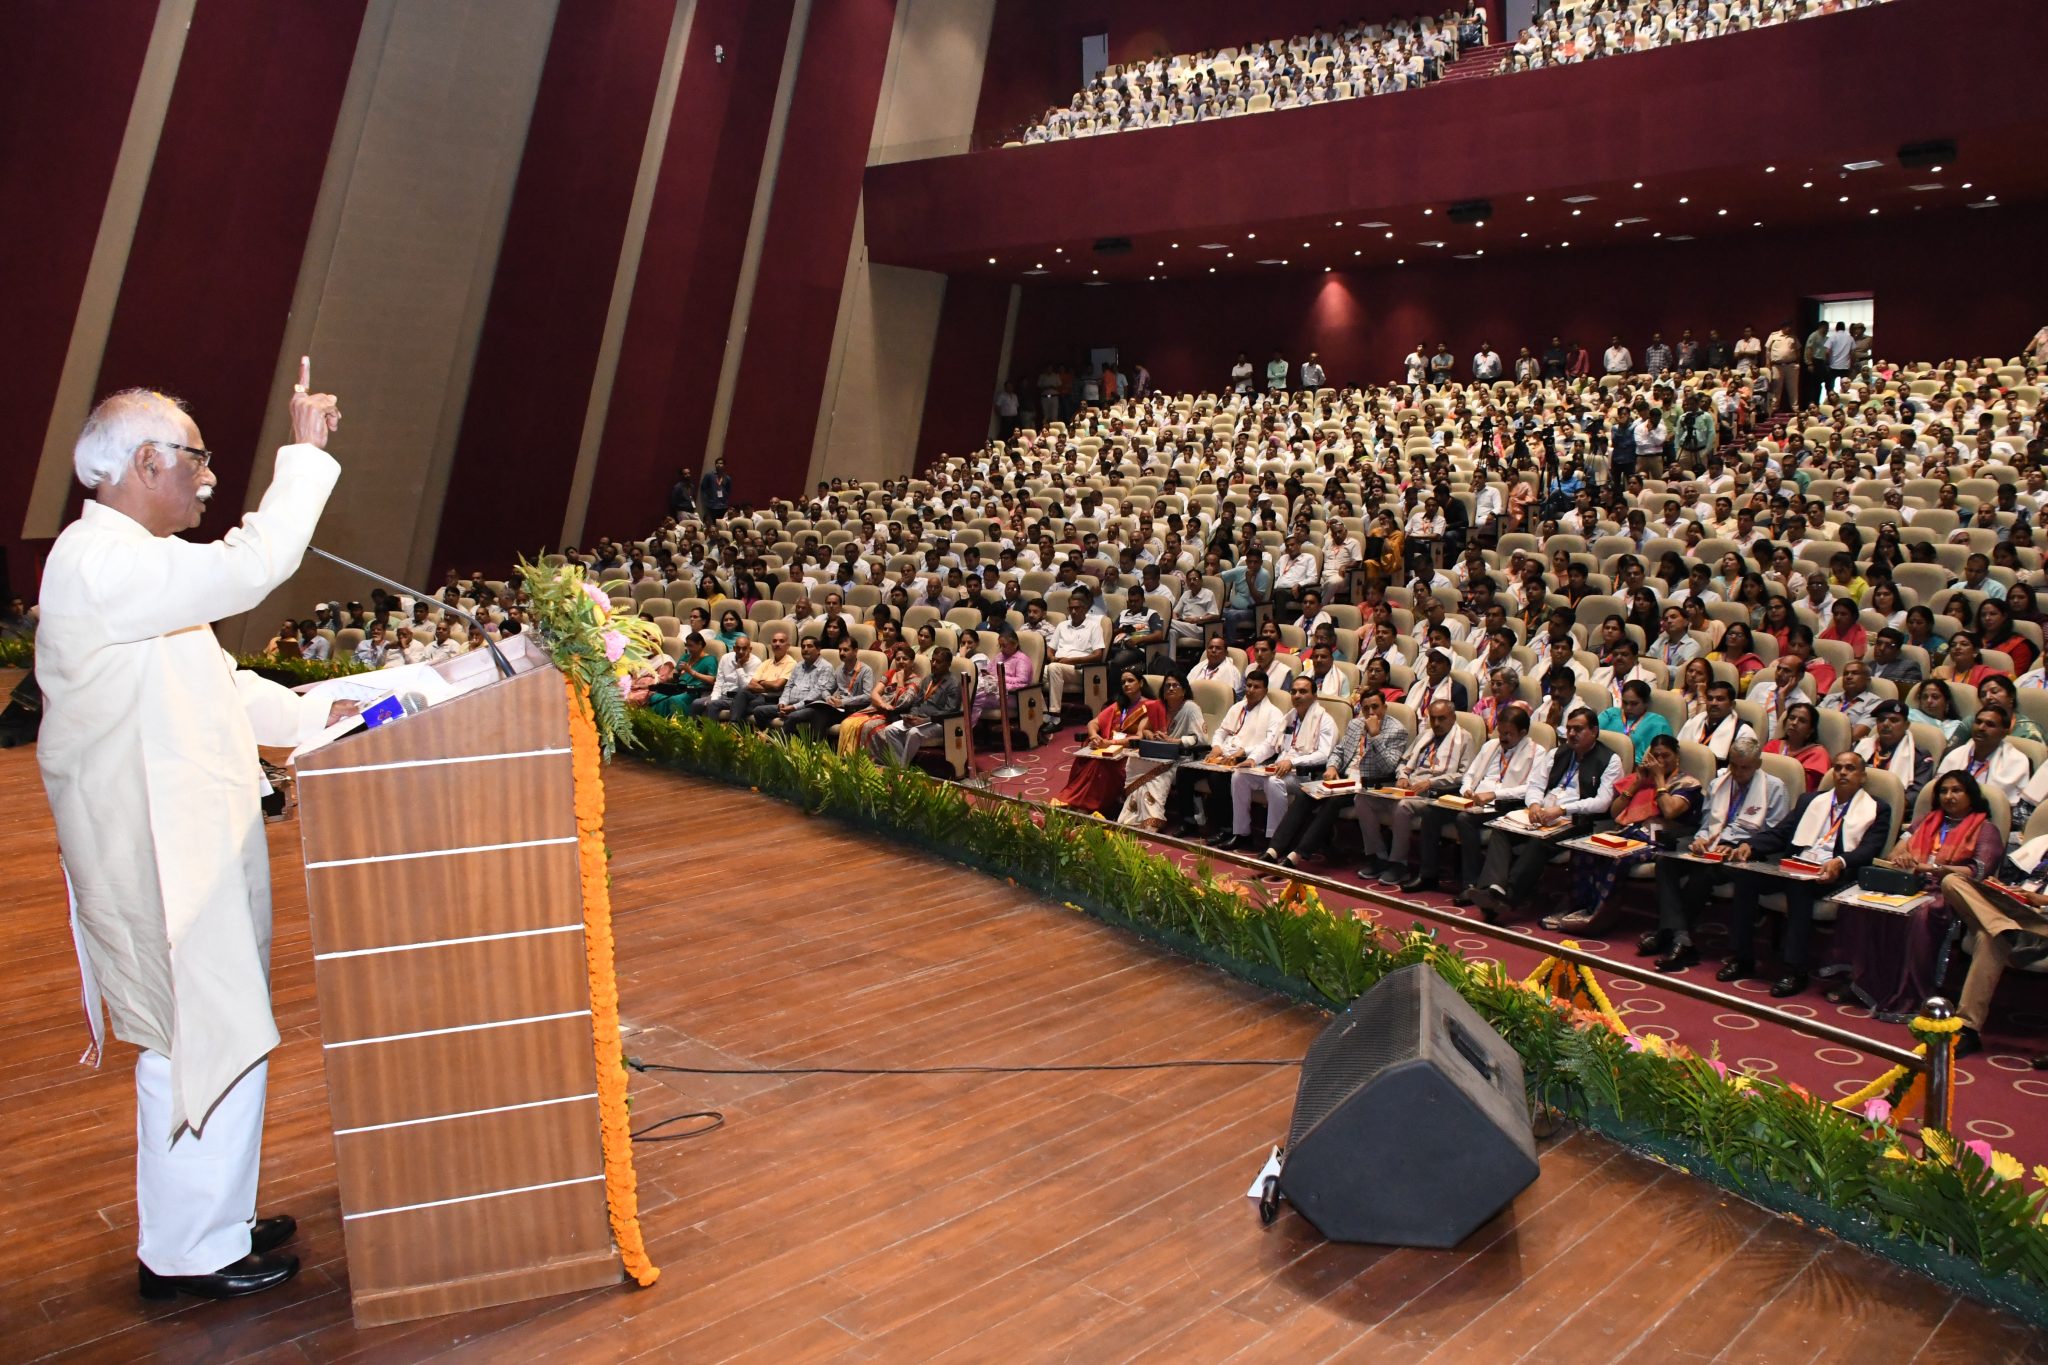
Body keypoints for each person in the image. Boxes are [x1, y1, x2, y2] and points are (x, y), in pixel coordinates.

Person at [38, 367, 344, 1300]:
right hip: (158, 852)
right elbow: (251, 564)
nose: (209, 480)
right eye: (199, 459)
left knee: (221, 1028)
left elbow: (216, 686)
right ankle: (187, 1250)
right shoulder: (104, 562)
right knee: (197, 1033)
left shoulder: (133, 568)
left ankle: (210, 1217)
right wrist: (303, 457)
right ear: (144, 461)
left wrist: (346, 714)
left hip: (192, 839)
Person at [1830, 772, 2002, 1019]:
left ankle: (1911, 993)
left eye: (1956, 791)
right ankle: (1861, 981)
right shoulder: (1926, 821)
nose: (1949, 796)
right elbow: (1895, 853)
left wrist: (1931, 868)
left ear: (1971, 795)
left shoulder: (1985, 829)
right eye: (1943, 791)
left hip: (1950, 891)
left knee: (1922, 916)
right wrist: (1901, 857)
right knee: (1858, 902)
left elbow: (1977, 871)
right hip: (1910, 883)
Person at [1720, 751, 1891, 998]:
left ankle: (1794, 969)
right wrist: (1751, 845)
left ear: (1862, 776)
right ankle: (1742, 957)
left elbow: (1869, 849)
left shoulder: (1877, 808)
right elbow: (1781, 833)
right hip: (1796, 866)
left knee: (1799, 888)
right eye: (1838, 767)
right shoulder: (1811, 800)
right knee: (1745, 875)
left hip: (1834, 873)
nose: (1842, 772)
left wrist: (1840, 861)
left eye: (1850, 768)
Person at [1642, 736, 1790, 972]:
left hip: (1743, 854)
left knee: (1705, 874)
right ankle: (1680, 937)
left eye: (1745, 767)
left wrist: (1741, 845)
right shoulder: (1719, 782)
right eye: (1734, 765)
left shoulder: (1775, 788)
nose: (1738, 772)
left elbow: (1775, 834)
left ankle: (1673, 935)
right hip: (1711, 847)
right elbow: (1706, 822)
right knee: (1665, 862)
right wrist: (1700, 839)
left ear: (1758, 765)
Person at [1467, 711, 1623, 924]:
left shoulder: (1610, 760)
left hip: (1575, 819)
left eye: (1578, 729)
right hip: (1542, 813)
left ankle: (1507, 897)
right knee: (1501, 829)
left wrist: (1562, 810)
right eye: (1569, 728)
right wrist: (1533, 805)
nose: (1571, 733)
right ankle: (1490, 890)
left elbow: (1603, 802)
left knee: (1539, 843)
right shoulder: (1558, 753)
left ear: (1594, 731)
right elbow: (1536, 785)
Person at [1547, 733, 1702, 934]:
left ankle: (1599, 915)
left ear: (1677, 757)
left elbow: (1670, 811)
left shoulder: (1688, 784)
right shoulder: (1644, 779)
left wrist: (1659, 780)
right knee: (1584, 848)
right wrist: (1638, 782)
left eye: (1666, 756)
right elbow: (1615, 812)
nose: (1661, 761)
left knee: (1617, 858)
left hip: (1660, 840)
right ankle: (1577, 905)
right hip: (1628, 833)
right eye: (1656, 756)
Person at [1401, 706, 1542, 902]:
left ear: (1523, 733)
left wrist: (1494, 794)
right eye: (1500, 731)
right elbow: (1469, 774)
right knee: (1431, 812)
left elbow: (1531, 788)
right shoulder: (1491, 746)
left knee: (1464, 819)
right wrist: (1467, 789)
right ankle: (1428, 874)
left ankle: (1471, 883)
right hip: (1473, 799)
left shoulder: (1537, 752)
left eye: (1508, 733)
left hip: (1502, 805)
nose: (1502, 737)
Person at [1941, 836, 2048, 1059]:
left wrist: (2041, 901)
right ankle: (2005, 929)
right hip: (2013, 910)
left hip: (2042, 919)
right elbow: (2012, 878)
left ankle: (1967, 1028)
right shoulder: (2040, 844)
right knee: (1952, 881)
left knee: (1989, 938)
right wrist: (2002, 888)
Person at [1357, 699, 1472, 882]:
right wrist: (1402, 776)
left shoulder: (1464, 738)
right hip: (1407, 786)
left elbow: (1464, 775)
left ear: (1453, 718)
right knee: (1361, 799)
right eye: (1433, 719)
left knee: (1402, 806)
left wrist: (1431, 782)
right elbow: (1403, 761)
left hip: (1434, 792)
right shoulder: (1425, 735)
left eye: (1441, 719)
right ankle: (1379, 856)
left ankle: (1399, 864)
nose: (1436, 724)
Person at [1052, 668, 1164, 812]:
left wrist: (1109, 743)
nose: (1126, 685)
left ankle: (1086, 805)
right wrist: (1094, 736)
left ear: (1141, 683)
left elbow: (1139, 737)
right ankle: (1077, 801)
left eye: (1130, 680)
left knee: (1101, 764)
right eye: (1123, 682)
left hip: (1130, 751)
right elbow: (1093, 722)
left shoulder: (1150, 706)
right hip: (1109, 747)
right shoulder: (1119, 705)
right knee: (1086, 759)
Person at [1200, 671, 1285, 842]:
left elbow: (1270, 744)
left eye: (1256, 687)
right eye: (1248, 685)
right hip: (1224, 753)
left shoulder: (1273, 713)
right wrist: (1216, 746)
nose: (1251, 690)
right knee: (1186, 772)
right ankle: (1194, 822)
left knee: (1217, 778)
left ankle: (1228, 828)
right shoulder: (1237, 707)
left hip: (1249, 758)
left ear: (1265, 690)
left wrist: (1244, 752)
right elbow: (1221, 731)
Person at [1119, 674, 1207, 830]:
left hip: (1181, 755)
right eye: (1167, 686)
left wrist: (1173, 741)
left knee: (1157, 776)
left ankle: (1152, 819)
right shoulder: (1158, 706)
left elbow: (1199, 739)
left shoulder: (1190, 708)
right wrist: (1151, 735)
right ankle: (1134, 815)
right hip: (1158, 752)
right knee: (1134, 762)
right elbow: (1144, 730)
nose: (1171, 688)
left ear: (1184, 690)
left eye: (1175, 685)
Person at [870, 647, 961, 766]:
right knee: (890, 730)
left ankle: (901, 769)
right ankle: (900, 766)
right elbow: (916, 703)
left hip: (938, 723)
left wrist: (925, 720)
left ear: (948, 664)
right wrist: (911, 715)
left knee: (913, 733)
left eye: (938, 662)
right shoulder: (928, 679)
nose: (934, 664)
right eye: (932, 660)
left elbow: (950, 712)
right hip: (919, 718)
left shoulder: (953, 684)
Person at [1936, 702, 2030, 813]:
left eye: (1990, 724)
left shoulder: (2017, 762)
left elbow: (2012, 808)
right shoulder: (1954, 756)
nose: (1981, 728)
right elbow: (1937, 793)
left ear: (2004, 733)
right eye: (1978, 722)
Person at [839, 642, 918, 756]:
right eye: (898, 659)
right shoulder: (890, 673)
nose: (900, 661)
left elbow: (902, 703)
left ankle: (870, 765)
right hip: (877, 708)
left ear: (912, 662)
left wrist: (900, 680)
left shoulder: (916, 680)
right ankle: (846, 762)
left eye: (904, 659)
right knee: (847, 723)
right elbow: (875, 693)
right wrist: (882, 703)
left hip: (894, 715)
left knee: (867, 727)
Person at [1855, 699, 1933, 811]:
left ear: (1906, 725)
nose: (1886, 724)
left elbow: (1916, 794)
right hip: (1855, 804)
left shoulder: (1919, 756)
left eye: (1894, 720)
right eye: (1881, 720)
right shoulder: (1862, 747)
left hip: (1891, 811)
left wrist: (1880, 809)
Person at [1042, 590, 1106, 726]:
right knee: (1032, 674)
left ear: (1084, 609)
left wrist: (1070, 661)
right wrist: (1051, 657)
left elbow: (1098, 655)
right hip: (1058, 665)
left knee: (1054, 668)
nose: (1074, 611)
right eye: (1071, 609)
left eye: (1077, 608)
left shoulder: (1094, 627)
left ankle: (1055, 715)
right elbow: (1050, 649)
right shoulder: (1062, 625)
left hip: (1080, 670)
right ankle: (1042, 713)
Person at [1597, 679, 1673, 762]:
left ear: (1646, 703)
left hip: (1638, 768)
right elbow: (1593, 735)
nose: (1628, 708)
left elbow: (1665, 755)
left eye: (1634, 704)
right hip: (1602, 761)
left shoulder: (1658, 723)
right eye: (1625, 703)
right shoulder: (1610, 714)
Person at [1765, 702, 1832, 792]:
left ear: (1810, 730)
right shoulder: (1773, 745)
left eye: (1802, 721)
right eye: (1791, 718)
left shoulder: (1818, 754)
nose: (1794, 723)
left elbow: (1803, 788)